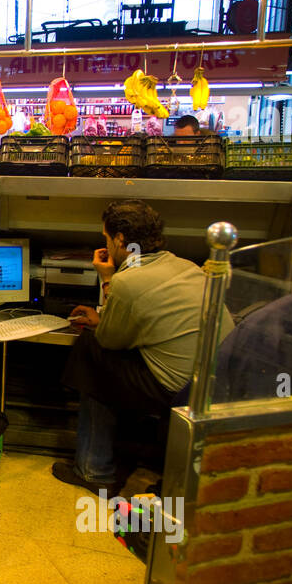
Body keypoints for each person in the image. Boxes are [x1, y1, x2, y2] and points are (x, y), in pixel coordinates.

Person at [54, 199, 232, 491]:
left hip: (176, 391)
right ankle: (123, 451)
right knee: (103, 347)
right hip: (211, 385)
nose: (106, 244)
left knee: (91, 350)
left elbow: (110, 340)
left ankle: (94, 470)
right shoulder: (184, 264)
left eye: (107, 238)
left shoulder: (128, 280)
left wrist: (107, 278)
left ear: (120, 240)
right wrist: (103, 319)